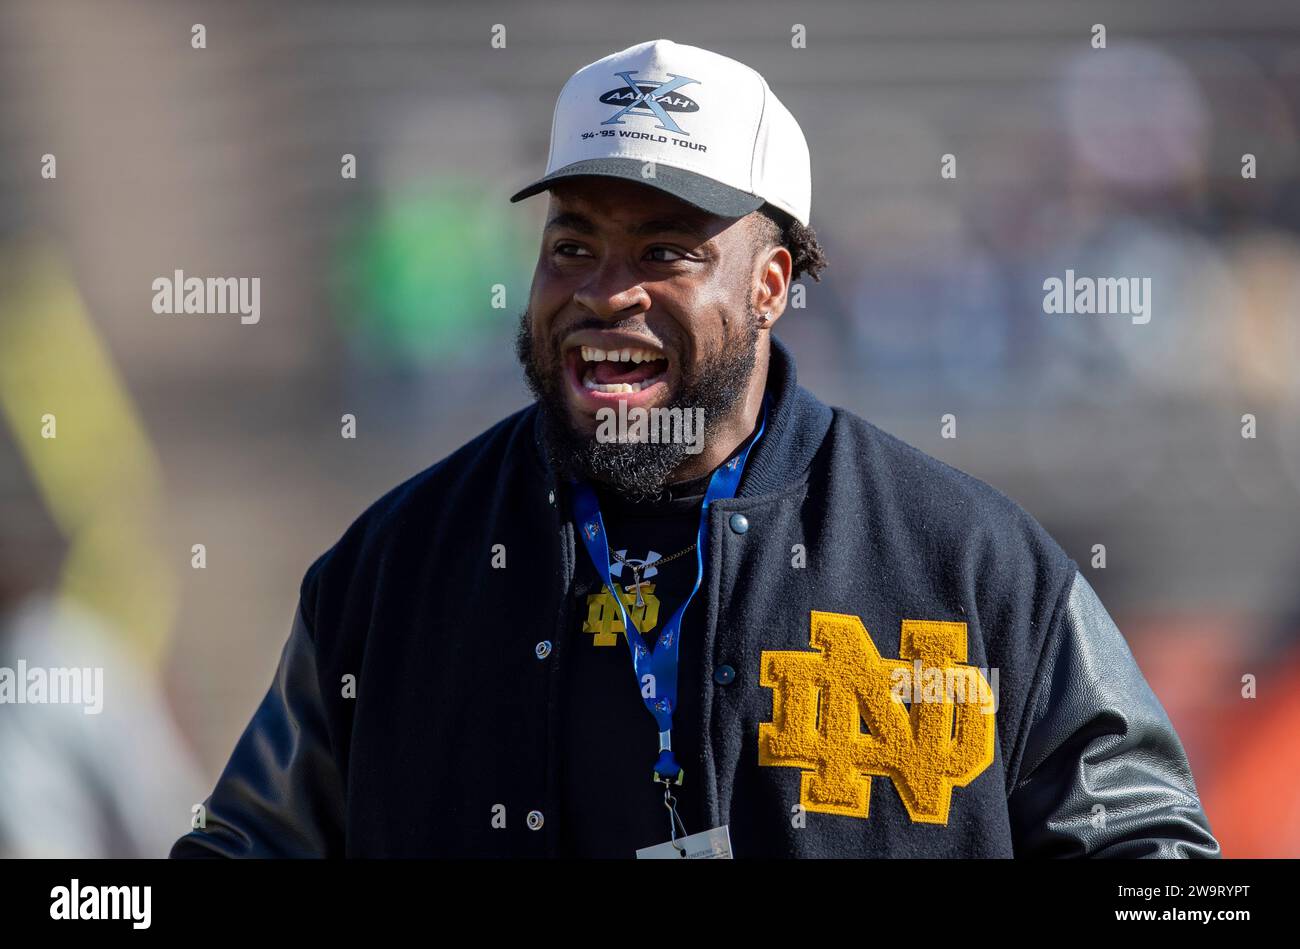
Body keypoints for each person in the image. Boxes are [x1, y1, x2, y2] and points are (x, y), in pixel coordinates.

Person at [171, 38, 1220, 858]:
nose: (604, 291)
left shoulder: (967, 563)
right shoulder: (396, 566)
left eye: (665, 250)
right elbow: (248, 845)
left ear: (769, 286)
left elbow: (1145, 851)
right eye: (572, 245)